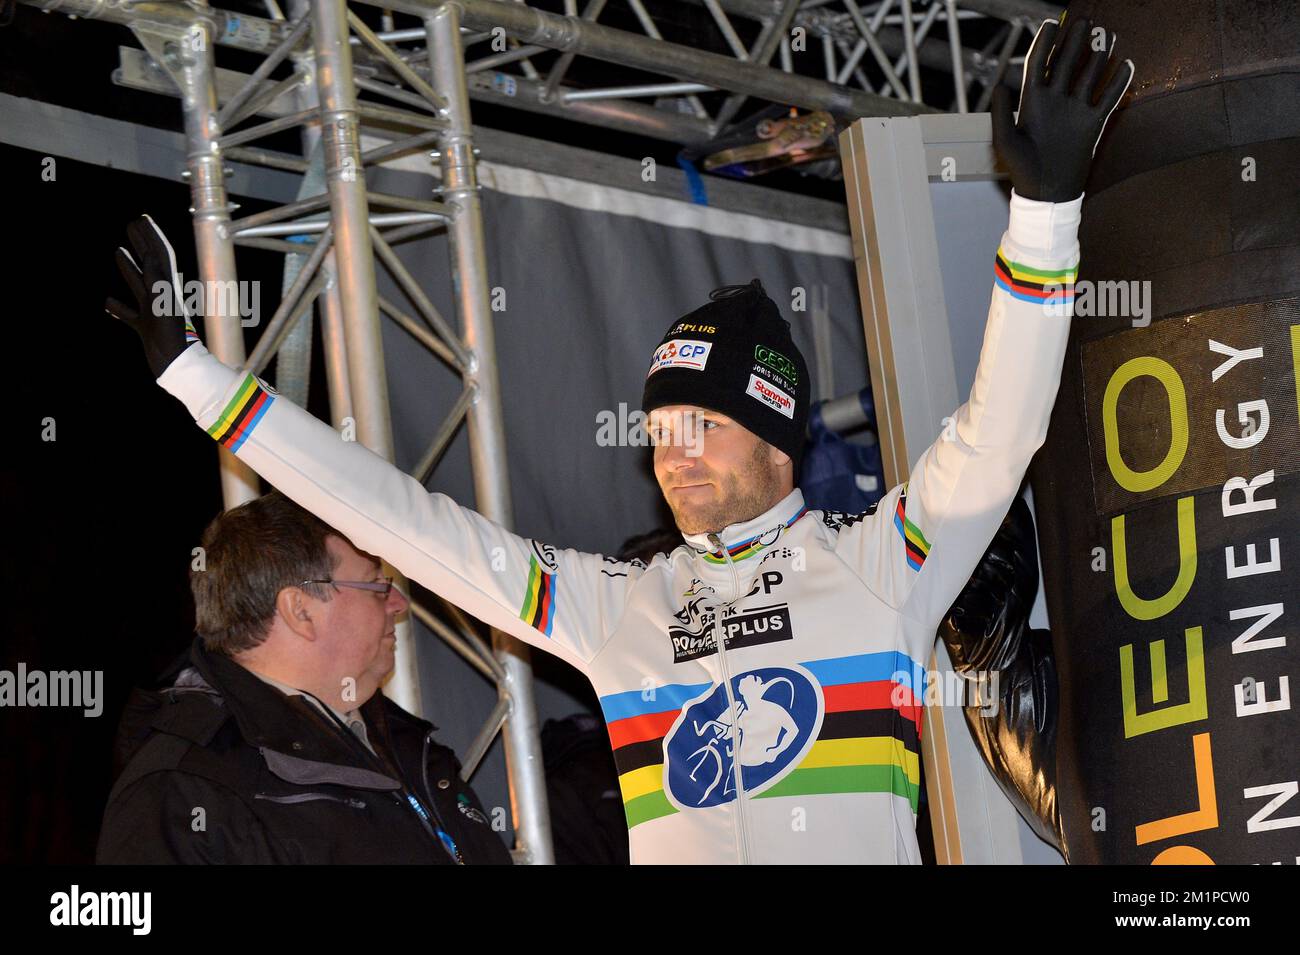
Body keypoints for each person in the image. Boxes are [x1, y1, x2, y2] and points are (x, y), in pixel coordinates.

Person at [104, 16, 1133, 863]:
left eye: (702, 426)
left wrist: (1044, 212)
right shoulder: (616, 606)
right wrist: (197, 378)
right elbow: (403, 524)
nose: (672, 453)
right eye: (657, 432)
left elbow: (999, 431)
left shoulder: (881, 562)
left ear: (777, 444)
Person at [96, 491, 512, 865]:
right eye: (376, 585)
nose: (399, 604)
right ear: (300, 611)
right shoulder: (183, 790)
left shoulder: (407, 746)